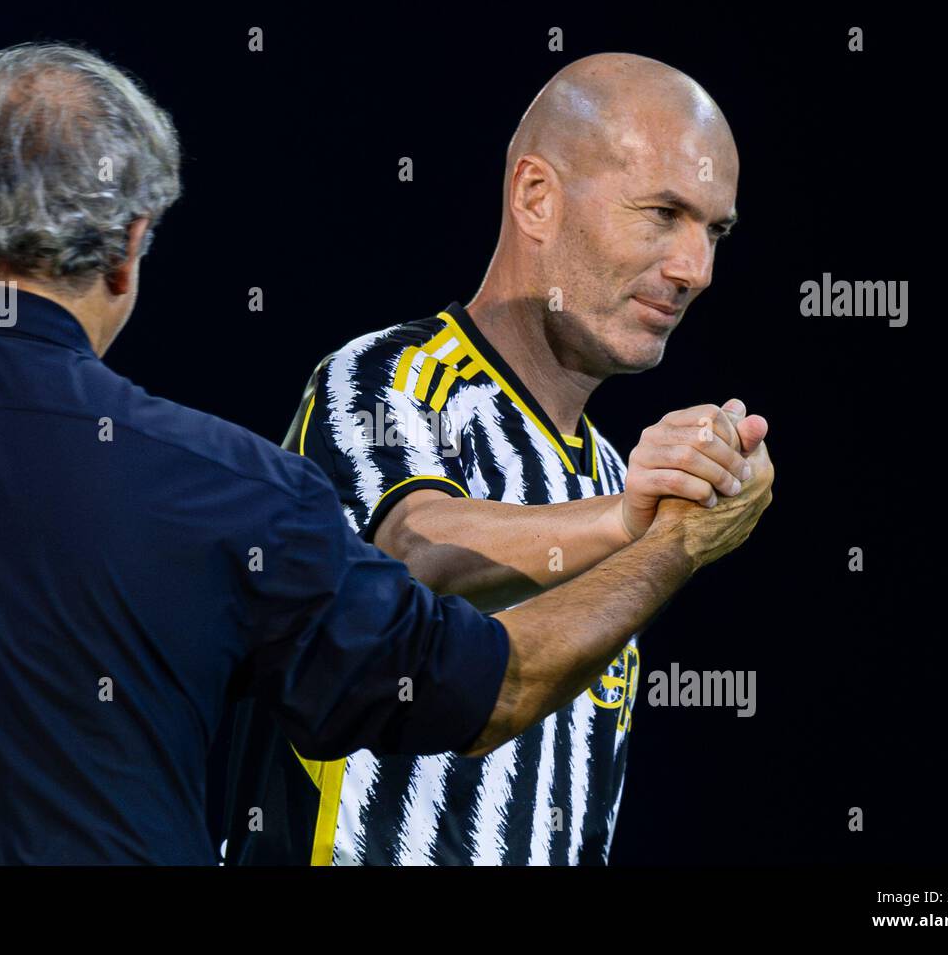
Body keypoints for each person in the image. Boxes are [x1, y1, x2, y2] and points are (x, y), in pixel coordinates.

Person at [225, 52, 768, 865]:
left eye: (714, 231)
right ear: (536, 197)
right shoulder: (389, 377)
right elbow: (413, 548)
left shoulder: (611, 474)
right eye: (662, 213)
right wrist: (639, 525)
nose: (695, 268)